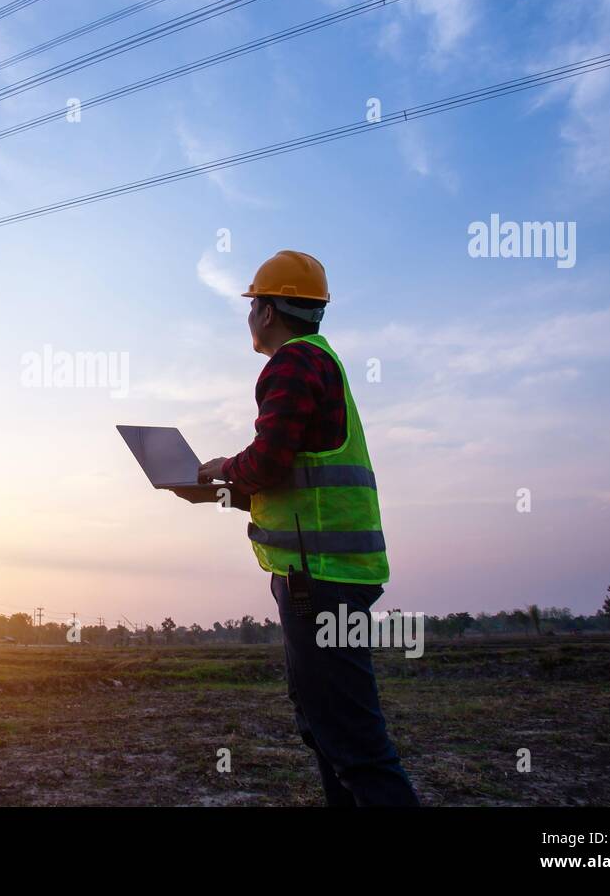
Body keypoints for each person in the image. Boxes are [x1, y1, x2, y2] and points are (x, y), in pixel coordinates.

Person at [195, 249, 419, 807]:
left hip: (319, 581)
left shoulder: (293, 363)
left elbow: (267, 462)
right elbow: (290, 482)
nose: (249, 317)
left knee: (353, 742)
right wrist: (225, 491)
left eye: (253, 305)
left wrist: (222, 470)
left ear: (268, 312)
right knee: (324, 730)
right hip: (322, 576)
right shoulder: (320, 360)